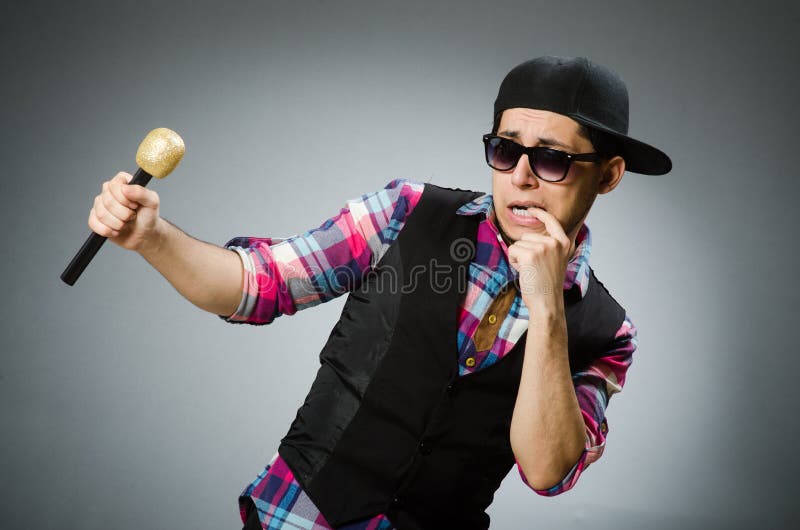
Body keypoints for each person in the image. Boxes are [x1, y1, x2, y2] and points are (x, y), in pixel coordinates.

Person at [87, 56, 672, 530]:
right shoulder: (406, 212)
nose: (520, 176)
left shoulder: (607, 332)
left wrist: (547, 309)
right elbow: (255, 286)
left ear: (607, 175)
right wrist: (152, 238)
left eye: (551, 159)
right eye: (505, 149)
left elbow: (546, 470)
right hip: (298, 519)